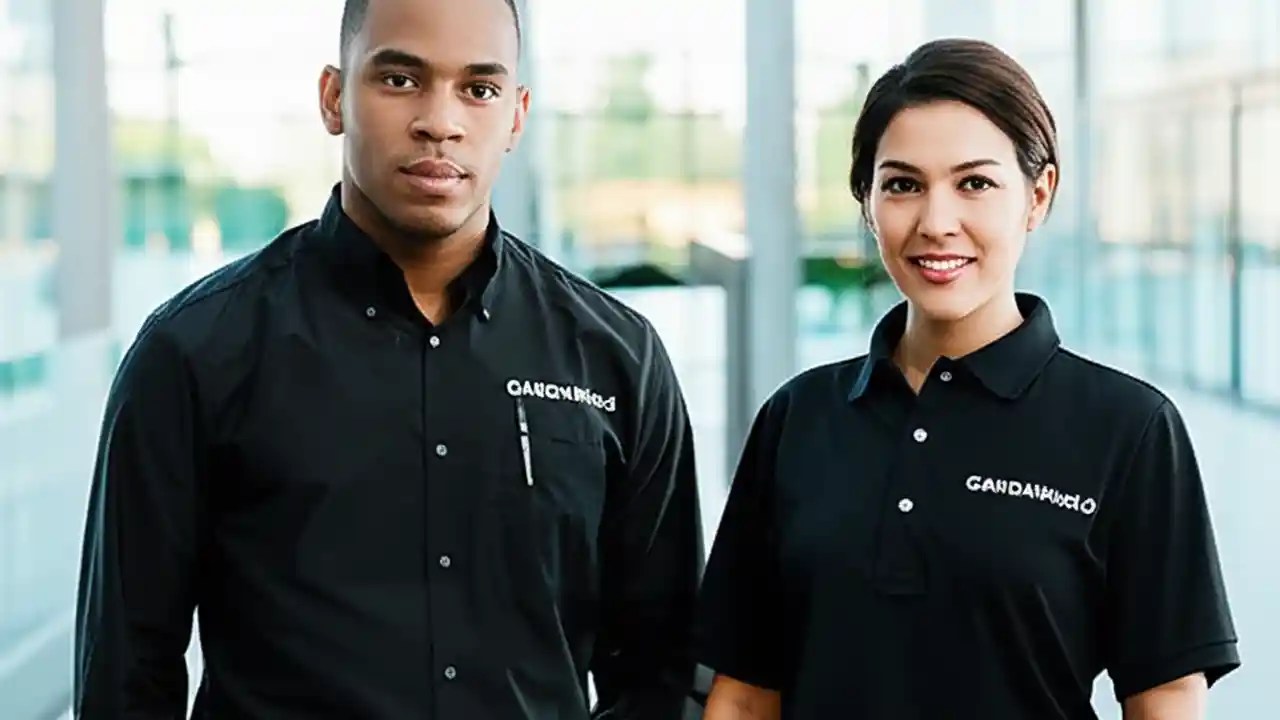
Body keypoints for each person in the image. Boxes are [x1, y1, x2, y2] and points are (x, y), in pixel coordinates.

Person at [73, 0, 704, 717]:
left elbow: (663, 669)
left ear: (517, 116)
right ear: (333, 97)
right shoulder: (194, 351)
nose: (440, 121)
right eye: (400, 80)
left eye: (479, 89)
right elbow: (126, 674)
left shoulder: (617, 358)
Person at [695, 38, 1240, 719]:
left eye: (974, 184)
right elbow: (745, 698)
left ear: (1037, 195)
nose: (936, 223)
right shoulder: (797, 418)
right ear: (867, 202)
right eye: (902, 185)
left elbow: (1166, 698)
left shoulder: (1128, 428)